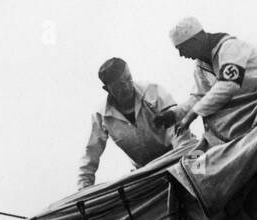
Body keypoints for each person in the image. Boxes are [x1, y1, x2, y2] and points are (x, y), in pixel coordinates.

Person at [162, 17, 257, 146]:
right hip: (253, 105)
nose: (181, 54)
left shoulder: (230, 47)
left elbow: (229, 85)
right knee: (209, 142)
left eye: (182, 48)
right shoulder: (201, 66)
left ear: (196, 41)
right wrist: (174, 115)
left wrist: (193, 115)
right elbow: (199, 97)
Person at [78, 57, 185, 189]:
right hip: (146, 172)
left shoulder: (152, 90)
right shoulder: (101, 115)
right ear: (107, 89)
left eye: (129, 79)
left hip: (178, 155)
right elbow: (91, 151)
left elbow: (177, 124)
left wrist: (182, 158)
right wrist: (84, 186)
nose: (127, 87)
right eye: (119, 86)